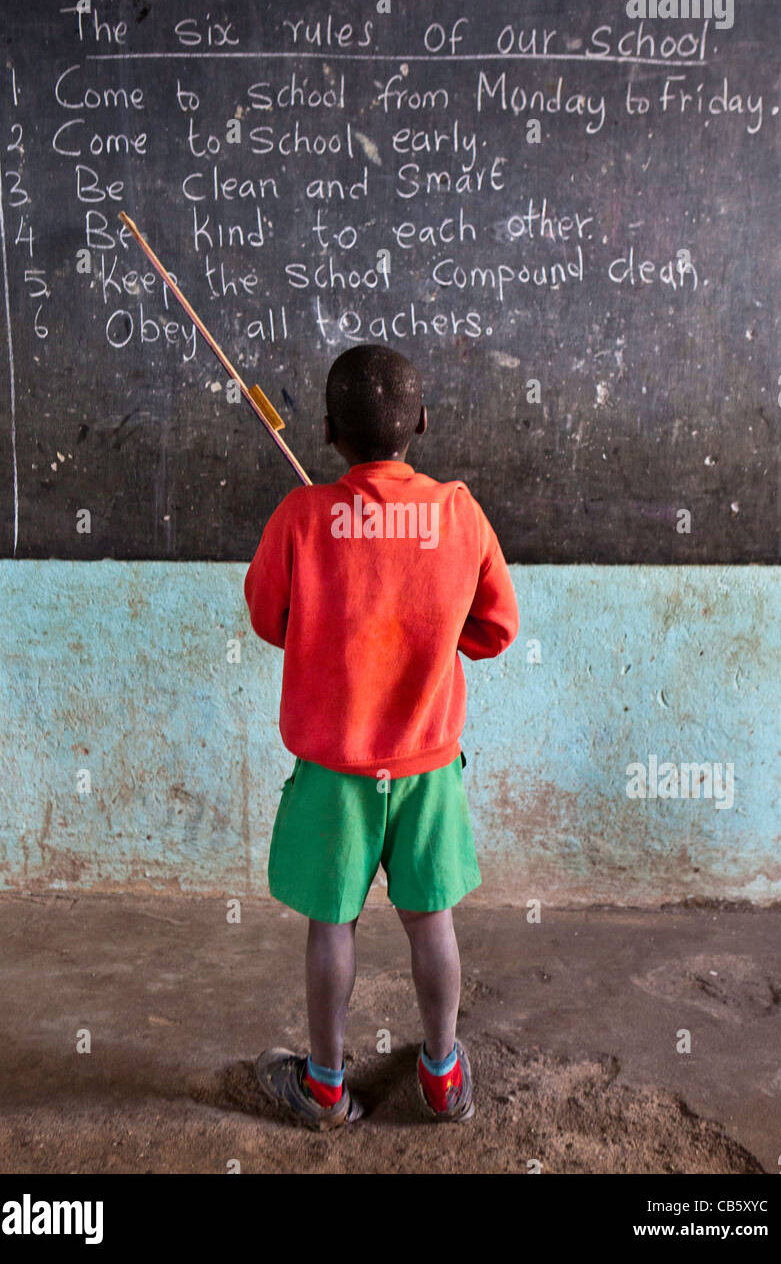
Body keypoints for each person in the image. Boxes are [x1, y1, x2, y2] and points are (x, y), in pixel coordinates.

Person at [244, 343, 519, 1128]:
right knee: (431, 919)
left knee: (331, 924)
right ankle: (440, 1075)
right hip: (428, 766)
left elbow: (269, 620)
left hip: (335, 769)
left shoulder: (302, 517)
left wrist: (332, 617)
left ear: (328, 432)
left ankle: (326, 1086)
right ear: (422, 424)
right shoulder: (458, 514)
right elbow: (496, 627)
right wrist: (432, 641)